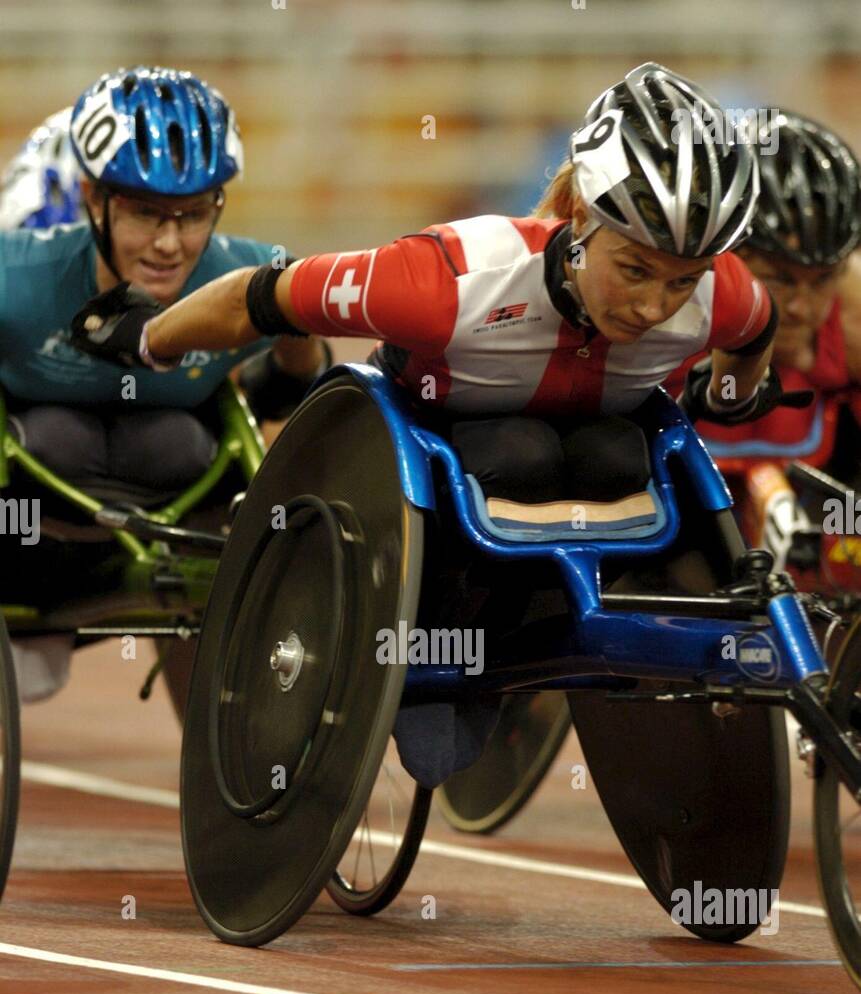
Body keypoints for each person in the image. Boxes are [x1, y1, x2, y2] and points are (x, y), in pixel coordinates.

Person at [70, 62, 807, 782]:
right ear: (581, 216)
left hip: (590, 456)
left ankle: (520, 616)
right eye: (635, 271)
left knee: (617, 456)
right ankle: (445, 620)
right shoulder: (444, 281)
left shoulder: (721, 291)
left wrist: (733, 395)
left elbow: (754, 330)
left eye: (681, 282)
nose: (653, 308)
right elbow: (261, 297)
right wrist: (148, 339)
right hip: (443, 452)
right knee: (520, 453)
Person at [1, 66, 329, 700]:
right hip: (29, 530)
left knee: (180, 440)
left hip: (181, 515)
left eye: (194, 214)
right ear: (94, 200)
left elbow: (300, 382)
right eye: (146, 214)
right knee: (55, 436)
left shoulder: (248, 272)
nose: (171, 244)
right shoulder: (19, 278)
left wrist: (295, 346)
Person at [665, 111, 861, 576]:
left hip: (817, 498)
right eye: (780, 279)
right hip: (676, 514)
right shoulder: (659, 305)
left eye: (824, 280)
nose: (802, 308)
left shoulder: (852, 317)